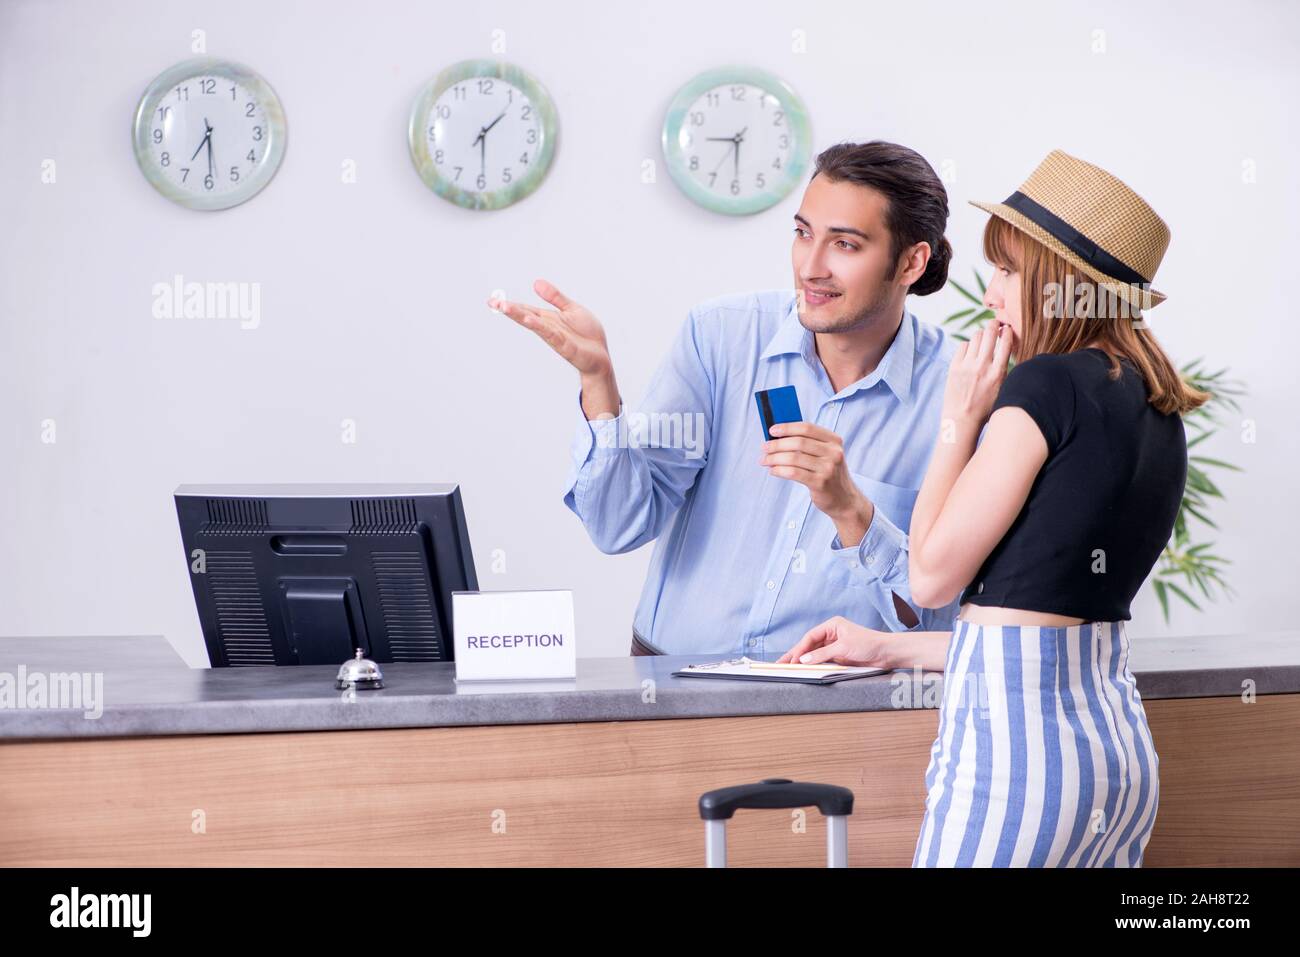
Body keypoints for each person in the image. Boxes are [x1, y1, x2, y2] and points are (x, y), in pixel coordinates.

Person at [779, 149, 1209, 866]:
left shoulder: (1045, 386)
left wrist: (959, 414)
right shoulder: (1153, 403)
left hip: (1020, 769)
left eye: (1009, 270)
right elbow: (1037, 633)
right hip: (1117, 757)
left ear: (1058, 283)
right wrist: (888, 647)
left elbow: (930, 578)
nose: (992, 292)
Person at [490, 141, 963, 656]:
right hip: (670, 681)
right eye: (803, 234)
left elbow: (934, 621)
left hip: (832, 699)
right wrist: (599, 384)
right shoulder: (720, 338)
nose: (811, 267)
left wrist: (852, 511)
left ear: (911, 262)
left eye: (845, 245)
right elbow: (618, 527)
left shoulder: (960, 396)